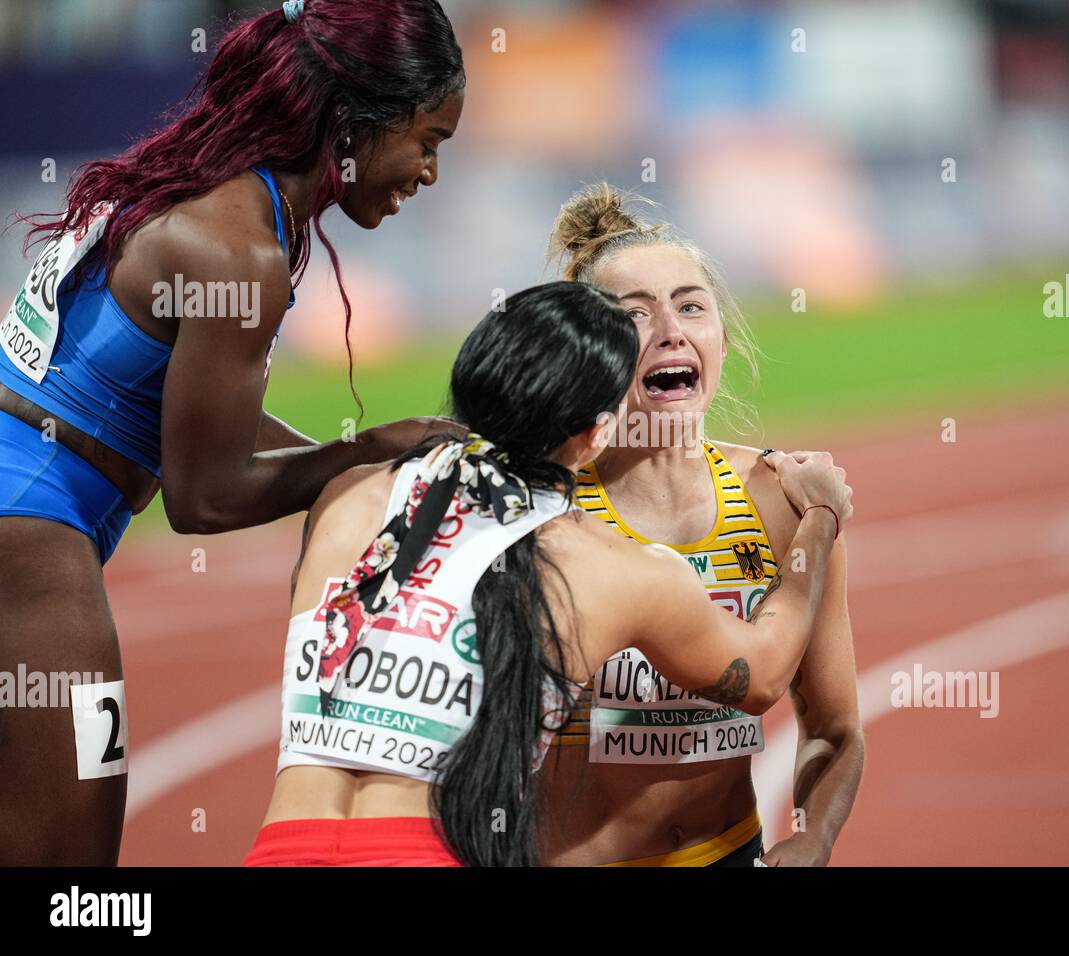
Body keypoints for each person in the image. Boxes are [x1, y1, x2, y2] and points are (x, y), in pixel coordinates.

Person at [0, 0, 466, 865]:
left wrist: (361, 463)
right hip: (27, 533)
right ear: (354, 122)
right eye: (428, 141)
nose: (431, 173)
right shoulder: (237, 251)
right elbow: (203, 497)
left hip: (25, 507)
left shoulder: (215, 191)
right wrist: (367, 454)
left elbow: (206, 415)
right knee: (76, 875)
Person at [245, 281, 852, 866]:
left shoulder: (346, 498)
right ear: (596, 433)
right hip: (433, 851)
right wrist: (821, 517)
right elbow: (763, 673)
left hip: (281, 845)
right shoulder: (609, 567)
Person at [538, 184, 864, 867]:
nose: (671, 330)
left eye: (691, 306)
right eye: (635, 315)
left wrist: (811, 835)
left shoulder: (788, 504)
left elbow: (833, 729)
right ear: (588, 349)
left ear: (721, 334)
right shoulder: (545, 512)